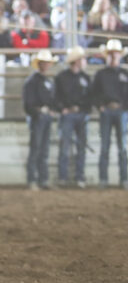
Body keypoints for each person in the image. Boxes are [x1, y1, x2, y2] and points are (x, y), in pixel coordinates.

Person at [91, 39, 128, 189]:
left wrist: (125, 108)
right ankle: (103, 179)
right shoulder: (100, 74)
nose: (113, 57)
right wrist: (100, 105)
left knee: (122, 147)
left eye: (116, 54)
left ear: (120, 55)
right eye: (111, 54)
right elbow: (93, 93)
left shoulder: (125, 74)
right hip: (106, 111)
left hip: (121, 111)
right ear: (107, 56)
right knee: (105, 146)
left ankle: (124, 179)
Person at [54, 46, 91, 189]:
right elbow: (56, 97)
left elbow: (90, 97)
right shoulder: (61, 77)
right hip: (68, 115)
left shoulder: (85, 78)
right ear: (76, 61)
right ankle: (63, 177)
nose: (84, 61)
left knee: (80, 147)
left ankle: (79, 177)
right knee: (65, 147)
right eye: (82, 59)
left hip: (81, 114)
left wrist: (84, 109)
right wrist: (62, 109)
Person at [23, 49, 57, 190]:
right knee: (37, 148)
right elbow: (28, 104)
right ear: (39, 64)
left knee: (43, 149)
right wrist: (39, 110)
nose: (45, 65)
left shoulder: (45, 81)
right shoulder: (33, 81)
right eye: (43, 62)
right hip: (37, 117)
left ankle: (42, 179)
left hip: (45, 116)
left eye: (47, 62)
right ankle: (33, 179)